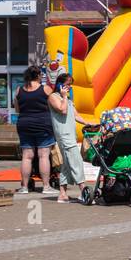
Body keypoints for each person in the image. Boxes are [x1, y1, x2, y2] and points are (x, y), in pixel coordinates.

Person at [48, 75, 90, 203]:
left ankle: (62, 194)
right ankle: (83, 190)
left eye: (71, 84)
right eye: (67, 84)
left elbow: (76, 115)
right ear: (60, 84)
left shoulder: (68, 100)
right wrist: (64, 96)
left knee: (67, 163)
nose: (70, 87)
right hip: (63, 134)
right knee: (75, 159)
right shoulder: (53, 97)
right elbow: (62, 110)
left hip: (70, 134)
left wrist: (89, 124)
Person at [14, 66, 55, 195]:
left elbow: (17, 109)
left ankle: (24, 187)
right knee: (43, 155)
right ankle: (46, 186)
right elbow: (54, 105)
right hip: (42, 124)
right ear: (38, 76)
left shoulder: (19, 90)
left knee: (27, 156)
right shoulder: (46, 89)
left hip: (24, 124)